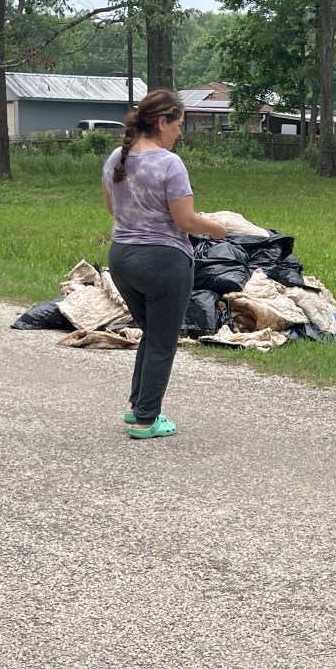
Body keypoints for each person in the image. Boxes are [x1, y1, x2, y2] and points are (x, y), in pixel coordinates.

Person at [102, 89, 229, 440]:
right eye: (178, 125)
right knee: (162, 341)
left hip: (122, 259)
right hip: (163, 262)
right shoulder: (169, 164)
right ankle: (147, 420)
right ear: (162, 122)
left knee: (151, 333)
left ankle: (137, 407)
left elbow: (114, 210)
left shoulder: (117, 157)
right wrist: (218, 229)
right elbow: (186, 221)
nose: (180, 132)